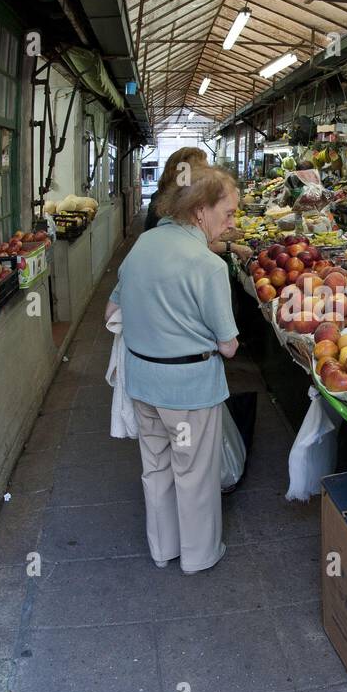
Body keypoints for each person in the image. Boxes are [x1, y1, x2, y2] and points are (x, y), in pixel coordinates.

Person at [111, 166, 241, 573]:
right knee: (194, 474)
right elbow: (229, 346)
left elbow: (113, 310)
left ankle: (162, 549)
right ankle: (199, 556)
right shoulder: (209, 266)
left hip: (143, 382)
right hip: (188, 392)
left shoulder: (143, 244)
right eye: (229, 213)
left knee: (156, 469)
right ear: (201, 211)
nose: (232, 223)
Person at [145, 146, 250, 261]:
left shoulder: (173, 200)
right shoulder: (166, 206)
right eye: (203, 170)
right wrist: (227, 243)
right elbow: (186, 247)